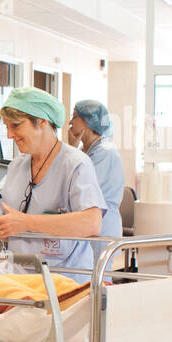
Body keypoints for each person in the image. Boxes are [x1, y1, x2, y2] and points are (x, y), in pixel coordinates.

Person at [0, 87, 106, 283]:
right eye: (7, 127)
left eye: (16, 126)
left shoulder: (75, 164)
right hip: (18, 276)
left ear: (43, 121)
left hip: (62, 280)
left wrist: (26, 222)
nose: (10, 135)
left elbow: (92, 223)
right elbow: (11, 221)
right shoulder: (18, 165)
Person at [67, 99, 125, 263]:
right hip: (91, 224)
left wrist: (70, 149)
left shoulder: (105, 152)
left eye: (75, 117)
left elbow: (79, 185)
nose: (70, 122)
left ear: (88, 121)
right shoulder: (86, 150)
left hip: (103, 225)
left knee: (98, 281)